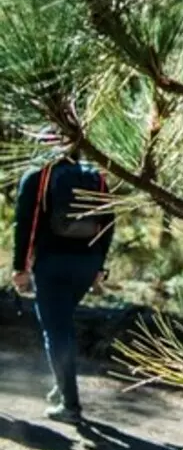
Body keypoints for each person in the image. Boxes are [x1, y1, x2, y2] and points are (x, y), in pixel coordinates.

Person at [10, 148, 114, 425]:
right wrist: (99, 266)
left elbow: (26, 226)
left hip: (52, 265)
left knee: (56, 331)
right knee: (63, 323)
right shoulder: (96, 177)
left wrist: (20, 267)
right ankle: (62, 386)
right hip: (87, 264)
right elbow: (108, 223)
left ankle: (70, 405)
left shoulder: (37, 177)